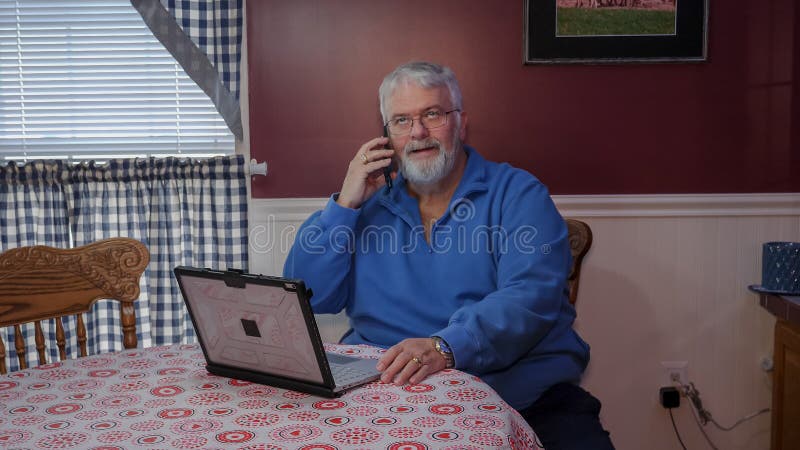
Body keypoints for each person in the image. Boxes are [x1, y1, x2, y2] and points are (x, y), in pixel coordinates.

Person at [284, 61, 614, 449]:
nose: (419, 132)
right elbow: (312, 295)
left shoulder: (519, 194)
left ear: (461, 122)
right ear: (386, 136)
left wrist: (445, 346)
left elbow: (530, 297)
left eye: (432, 114)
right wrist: (344, 205)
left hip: (522, 395)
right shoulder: (363, 204)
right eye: (402, 121)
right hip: (388, 395)